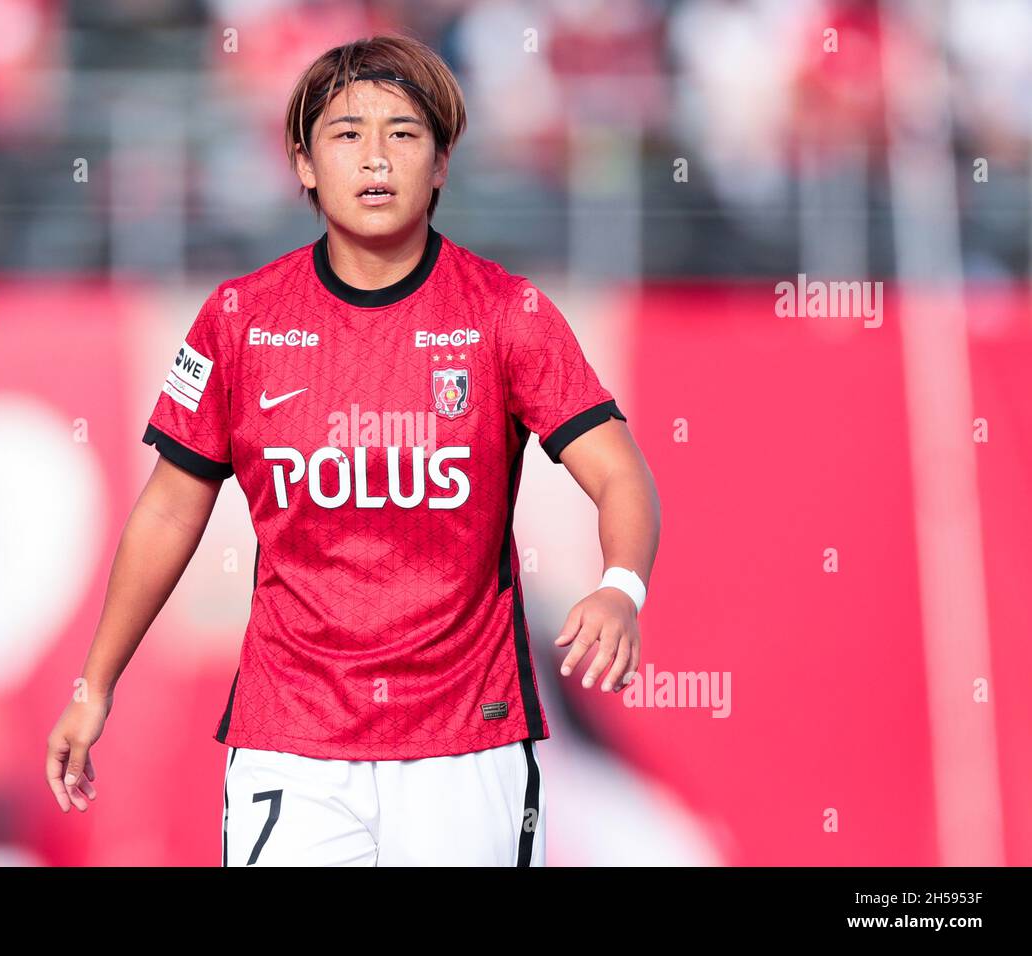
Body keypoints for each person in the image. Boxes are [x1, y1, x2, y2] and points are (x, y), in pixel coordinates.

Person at [45, 33, 661, 866]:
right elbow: (166, 510)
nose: (376, 156)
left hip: (466, 742)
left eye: (403, 134)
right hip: (291, 741)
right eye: (346, 134)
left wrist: (621, 586)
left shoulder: (507, 314)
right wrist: (95, 689)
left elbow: (620, 470)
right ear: (303, 163)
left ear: (441, 164)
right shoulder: (239, 319)